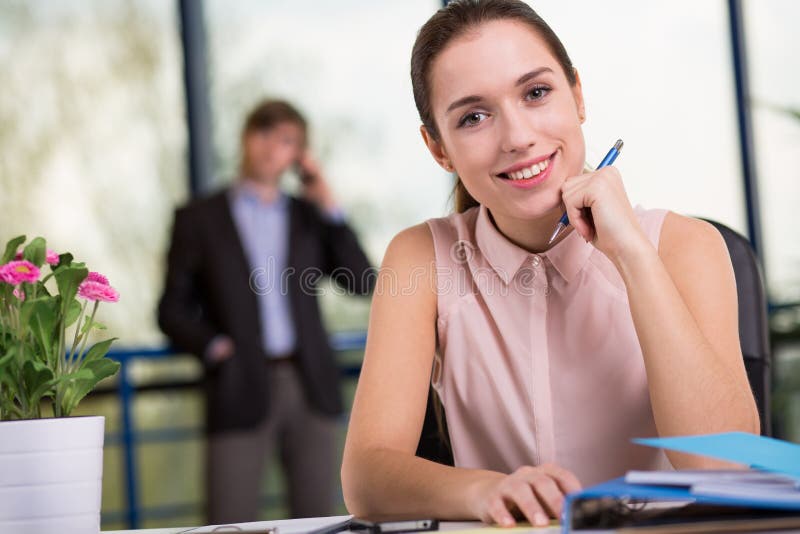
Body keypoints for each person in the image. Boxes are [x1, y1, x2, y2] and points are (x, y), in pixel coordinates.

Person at [341, 0, 759, 528]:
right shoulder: (421, 258)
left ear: (577, 96)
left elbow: (727, 467)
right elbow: (367, 475)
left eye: (536, 93)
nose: (517, 137)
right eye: (474, 117)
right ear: (438, 148)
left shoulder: (684, 246)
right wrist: (488, 492)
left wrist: (633, 256)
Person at [158, 99, 374, 523]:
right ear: (245, 138)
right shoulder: (198, 219)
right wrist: (216, 347)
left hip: (309, 384)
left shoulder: (308, 217)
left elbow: (362, 281)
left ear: (299, 156)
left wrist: (328, 203)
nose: (271, 147)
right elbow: (171, 310)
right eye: (264, 132)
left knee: (318, 522)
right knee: (228, 522)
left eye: (287, 140)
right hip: (236, 383)